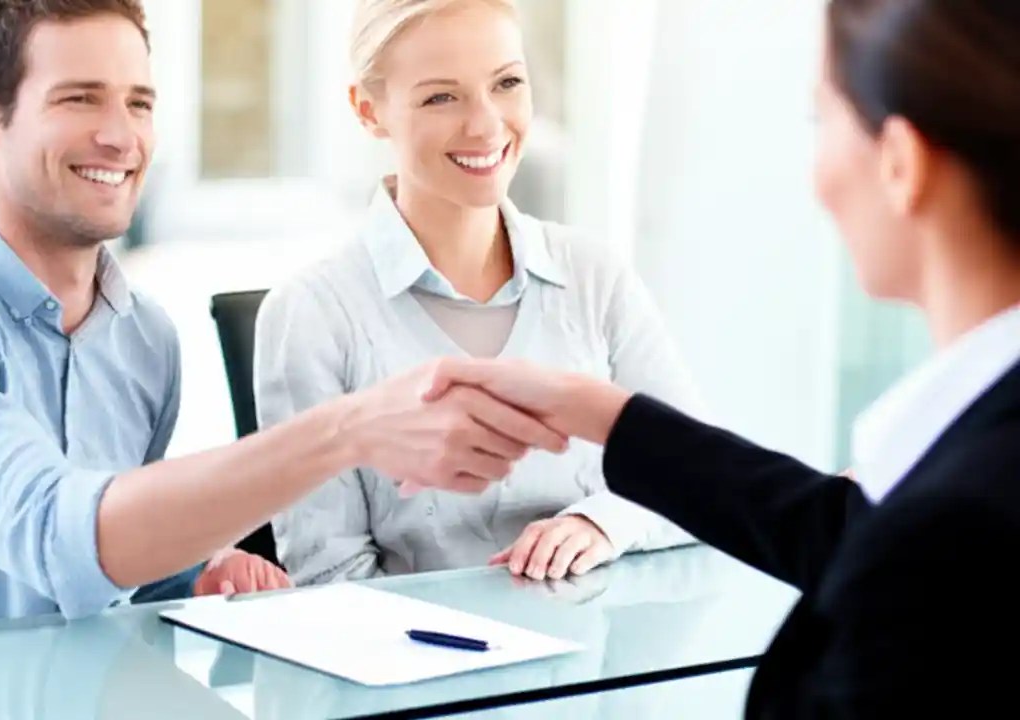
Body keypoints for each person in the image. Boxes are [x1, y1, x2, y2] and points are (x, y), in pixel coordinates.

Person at [0, 0, 566, 635]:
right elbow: (57, 538)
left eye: (139, 102)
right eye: (79, 99)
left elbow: (121, 579)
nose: (120, 136)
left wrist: (201, 572)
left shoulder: (142, 337)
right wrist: (349, 429)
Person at [425, 0, 1020, 713]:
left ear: (901, 163)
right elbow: (844, 530)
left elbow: (905, 560)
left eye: (821, 121)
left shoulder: (954, 530)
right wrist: (605, 416)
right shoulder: (978, 467)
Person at [255, 0, 703, 586]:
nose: (486, 125)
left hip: (597, 640)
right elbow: (330, 574)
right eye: (442, 97)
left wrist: (601, 524)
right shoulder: (311, 314)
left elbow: (699, 480)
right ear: (369, 110)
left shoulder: (595, 277)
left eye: (507, 83)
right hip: (413, 644)